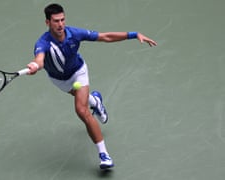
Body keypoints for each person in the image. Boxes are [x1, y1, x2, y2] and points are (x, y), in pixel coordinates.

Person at [26, 3, 157, 169]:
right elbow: (40, 59)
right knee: (83, 99)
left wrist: (134, 34)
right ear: (47, 23)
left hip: (78, 73)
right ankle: (95, 101)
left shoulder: (74, 33)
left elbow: (105, 37)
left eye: (62, 20)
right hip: (59, 79)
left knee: (81, 110)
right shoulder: (43, 42)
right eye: (56, 21)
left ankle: (104, 155)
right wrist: (35, 66)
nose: (60, 24)